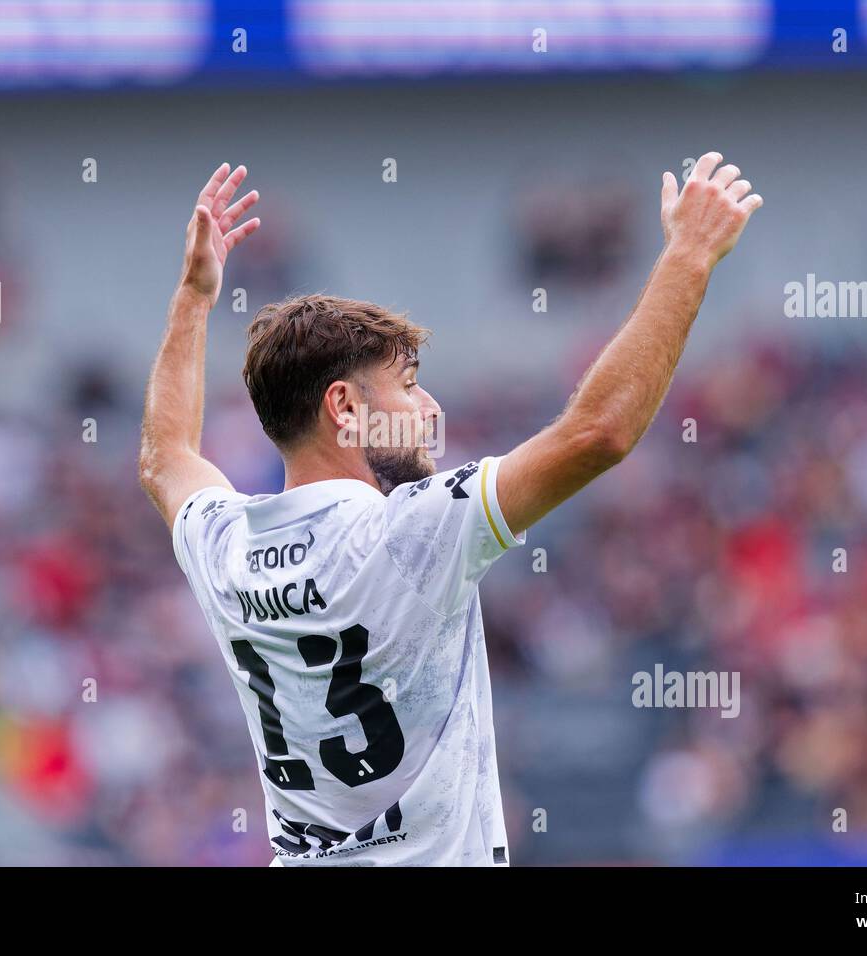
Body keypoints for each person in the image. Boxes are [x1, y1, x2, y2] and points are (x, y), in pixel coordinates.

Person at [139, 156, 762, 865]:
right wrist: (689, 255)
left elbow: (165, 456)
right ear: (344, 408)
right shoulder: (410, 529)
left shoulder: (226, 546)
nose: (430, 408)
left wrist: (192, 298)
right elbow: (598, 433)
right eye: (407, 386)